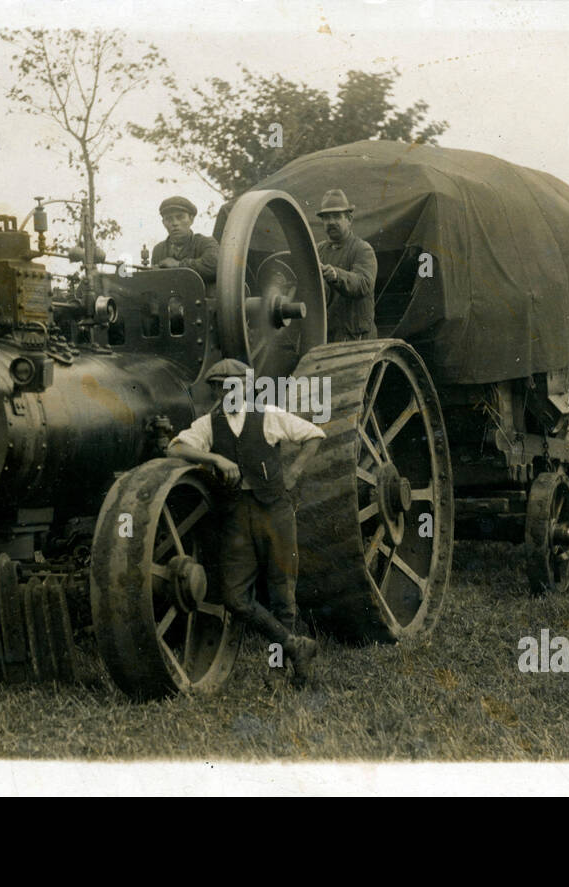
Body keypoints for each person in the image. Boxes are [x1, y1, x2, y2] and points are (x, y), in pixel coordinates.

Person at [167, 358, 326, 686]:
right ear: (215, 392)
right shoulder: (210, 425)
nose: (230, 393)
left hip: (275, 512)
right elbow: (175, 446)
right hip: (238, 515)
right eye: (222, 388)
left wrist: (294, 472)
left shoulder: (268, 416)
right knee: (235, 597)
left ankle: (280, 668)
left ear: (248, 387)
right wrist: (214, 457)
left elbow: (314, 434)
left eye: (235, 386)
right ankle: (296, 646)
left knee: (282, 594)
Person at [316, 189, 378, 341]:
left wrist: (336, 275)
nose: (331, 222)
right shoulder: (318, 250)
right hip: (326, 337)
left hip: (356, 339)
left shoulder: (362, 249)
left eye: (336, 216)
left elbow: (363, 284)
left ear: (349, 219)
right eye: (326, 218)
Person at [151, 196, 219, 283]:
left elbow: (214, 266)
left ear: (191, 219)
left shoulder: (206, 243)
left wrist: (178, 265)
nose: (175, 223)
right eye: (169, 219)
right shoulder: (159, 250)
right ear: (163, 223)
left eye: (180, 217)